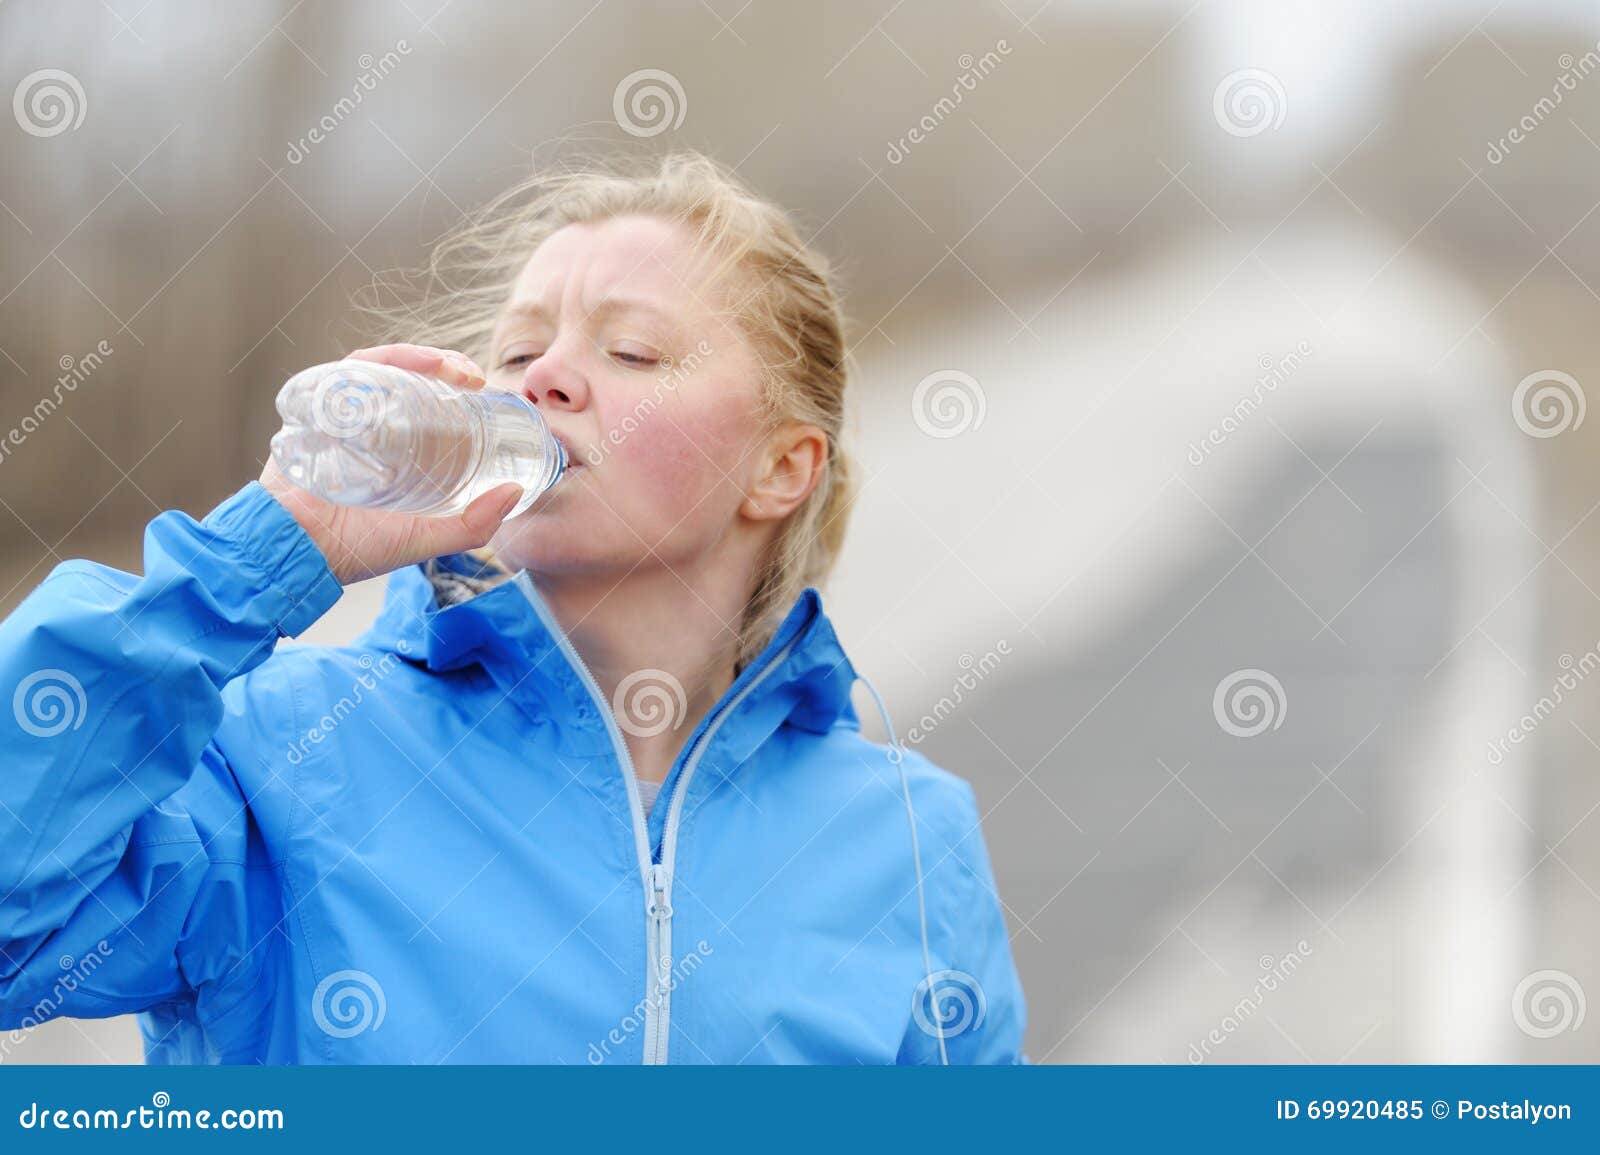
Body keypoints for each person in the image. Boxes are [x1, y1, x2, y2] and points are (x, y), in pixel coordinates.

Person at [0, 151, 1024, 1064]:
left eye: (632, 352)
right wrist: (251, 564)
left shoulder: (908, 838)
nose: (546, 379)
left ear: (780, 467)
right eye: (520, 350)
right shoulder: (279, 756)